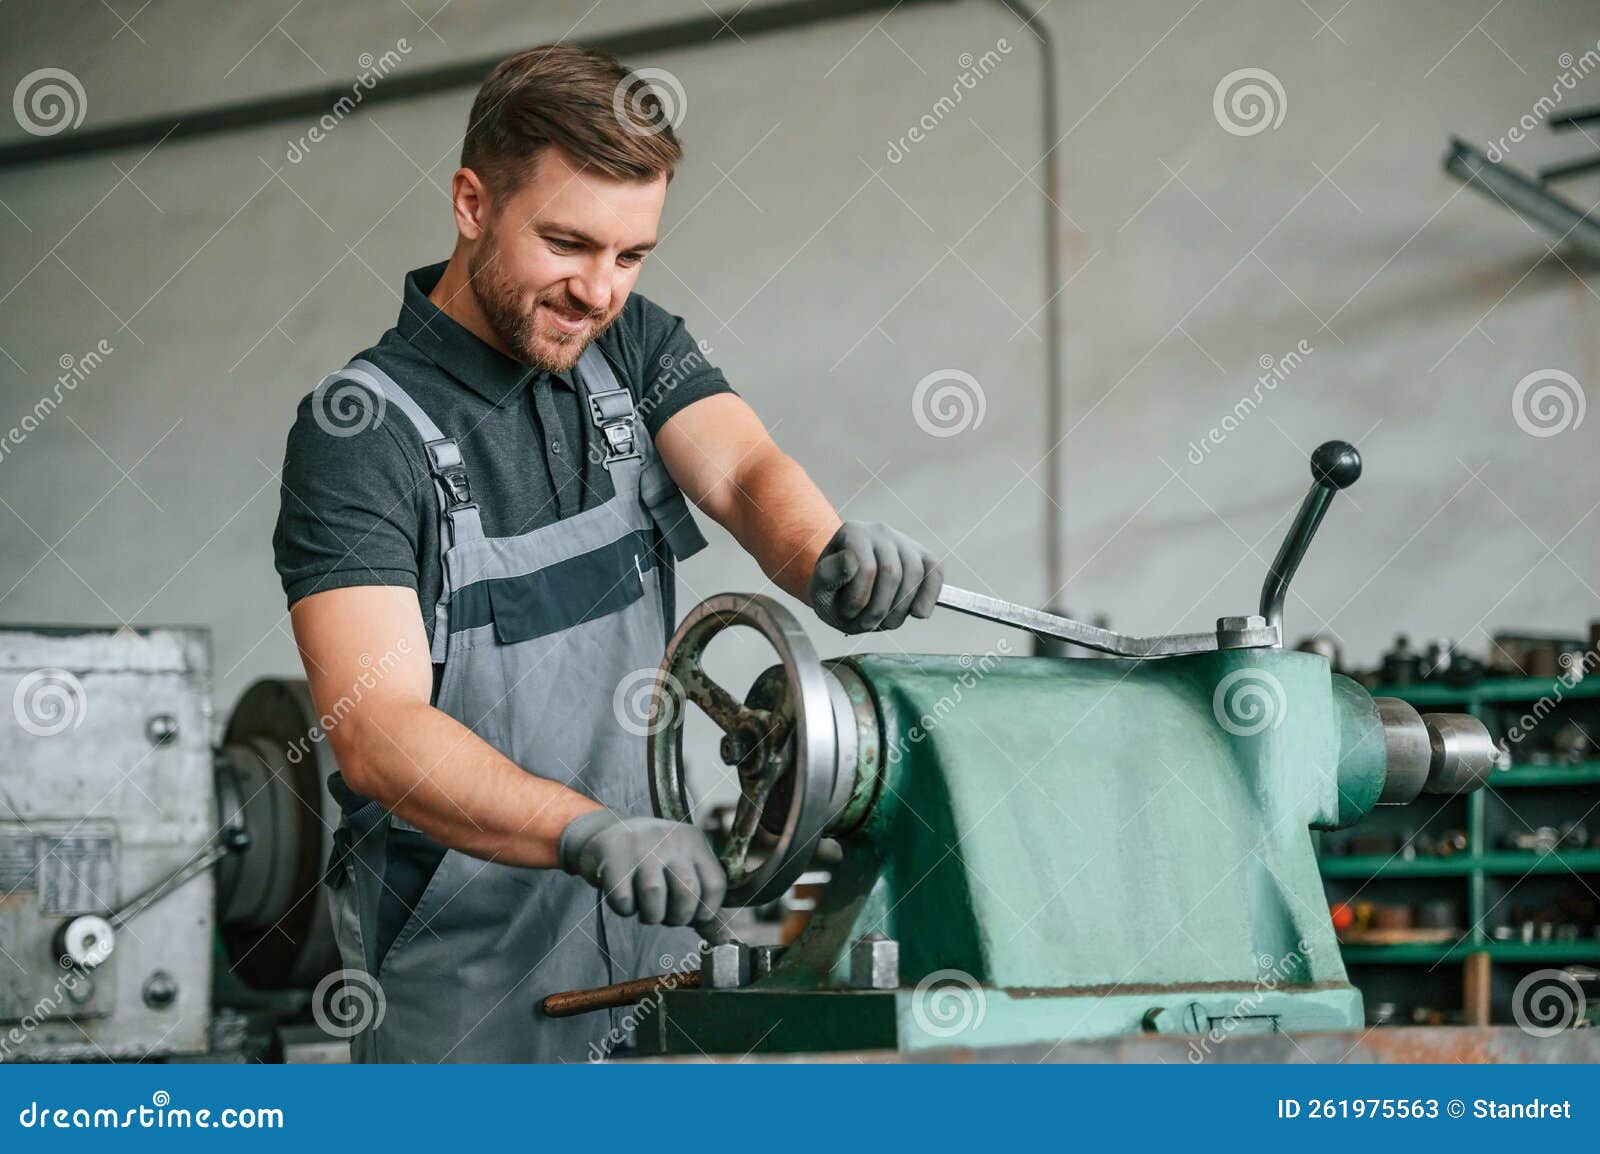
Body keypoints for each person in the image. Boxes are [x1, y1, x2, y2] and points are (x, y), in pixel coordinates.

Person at [273, 43, 942, 1061]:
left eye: (631, 256)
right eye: (567, 243)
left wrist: (825, 555)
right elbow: (376, 727)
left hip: (654, 928)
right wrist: (584, 830)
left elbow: (742, 470)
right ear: (471, 203)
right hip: (463, 979)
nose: (597, 289)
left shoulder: (625, 347)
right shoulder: (360, 435)